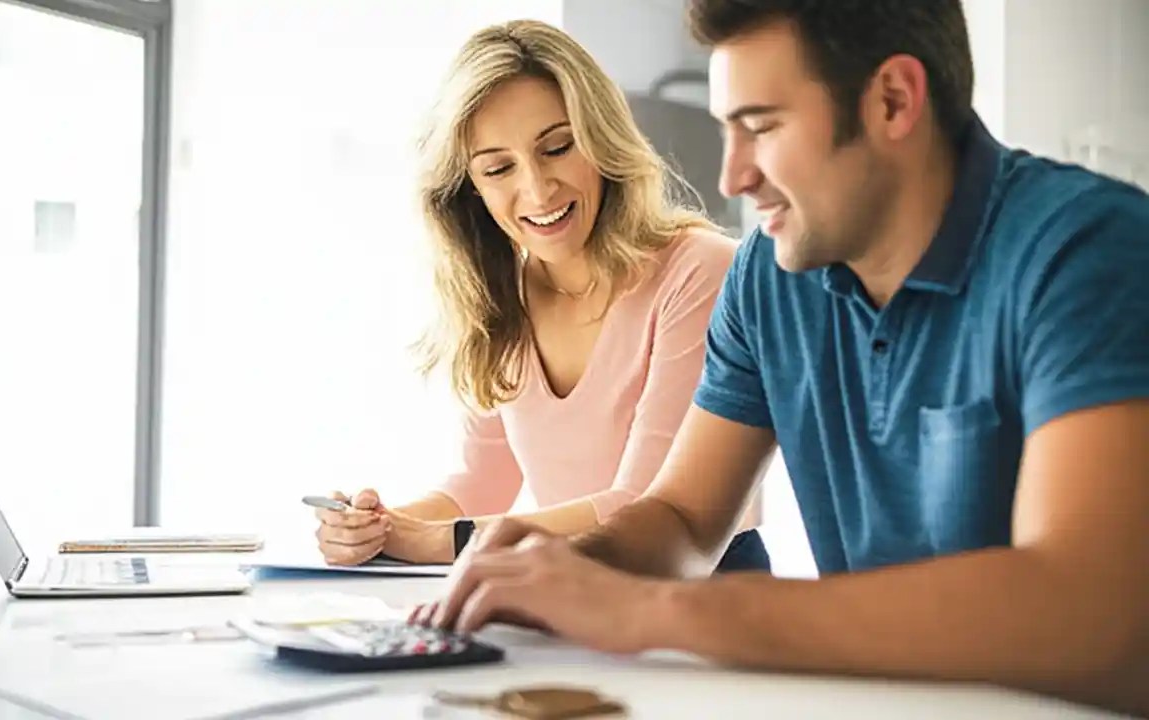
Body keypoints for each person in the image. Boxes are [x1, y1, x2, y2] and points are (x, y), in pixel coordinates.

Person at [415, 1, 1149, 716]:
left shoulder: (1089, 252)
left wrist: (659, 611)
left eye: (760, 127)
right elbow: (680, 516)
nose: (732, 177)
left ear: (893, 101)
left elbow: (1086, 610)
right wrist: (566, 567)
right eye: (726, 130)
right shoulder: (768, 273)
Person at [311, 19, 767, 571]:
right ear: (470, 190)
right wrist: (377, 529)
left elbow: (645, 509)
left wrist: (437, 540)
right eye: (499, 168)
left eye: (556, 148)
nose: (537, 188)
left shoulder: (701, 272)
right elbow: (479, 485)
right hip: (573, 588)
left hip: (706, 588)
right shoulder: (500, 296)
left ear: (601, 139)